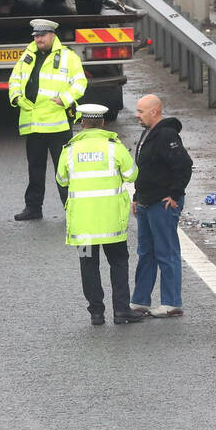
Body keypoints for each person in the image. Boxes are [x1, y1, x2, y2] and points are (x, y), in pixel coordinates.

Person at [56, 104, 147, 325]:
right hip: (110, 223)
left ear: (82, 123)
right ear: (103, 123)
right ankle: (121, 311)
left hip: (84, 226)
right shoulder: (114, 147)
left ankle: (96, 313)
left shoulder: (69, 150)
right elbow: (132, 175)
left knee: (89, 265)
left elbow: (62, 180)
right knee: (118, 263)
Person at [8, 18, 87, 221]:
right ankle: (33, 208)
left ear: (52, 35)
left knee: (64, 170)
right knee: (35, 168)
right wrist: (16, 97)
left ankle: (72, 210)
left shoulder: (68, 56)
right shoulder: (28, 55)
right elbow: (15, 79)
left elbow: (80, 82)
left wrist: (65, 99)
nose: (38, 39)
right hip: (33, 123)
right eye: (36, 36)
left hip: (58, 123)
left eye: (42, 36)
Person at [130, 94, 193, 318]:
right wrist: (137, 196)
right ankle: (140, 301)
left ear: (154, 112)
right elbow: (144, 169)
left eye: (140, 111)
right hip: (146, 201)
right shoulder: (147, 132)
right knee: (146, 252)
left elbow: (184, 165)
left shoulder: (166, 135)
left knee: (166, 252)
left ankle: (171, 302)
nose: (136, 115)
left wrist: (175, 194)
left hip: (162, 203)